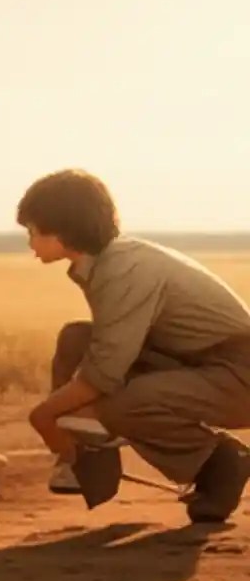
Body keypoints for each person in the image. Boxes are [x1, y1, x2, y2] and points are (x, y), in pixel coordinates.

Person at [17, 168, 250, 523]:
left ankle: (220, 465)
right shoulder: (108, 261)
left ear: (62, 230)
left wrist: (46, 416)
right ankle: (87, 455)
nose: (30, 243)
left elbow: (104, 374)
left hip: (239, 372)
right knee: (76, 340)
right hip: (200, 362)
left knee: (126, 404)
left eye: (33, 231)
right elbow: (105, 351)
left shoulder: (123, 270)